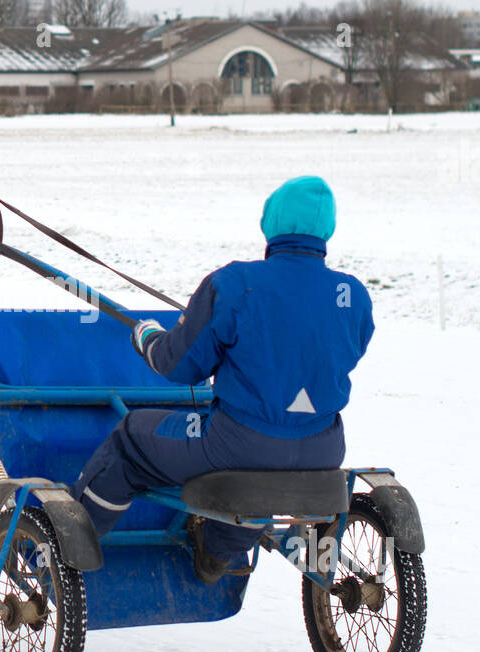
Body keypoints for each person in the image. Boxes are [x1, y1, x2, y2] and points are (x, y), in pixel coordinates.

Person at [70, 175, 374, 581]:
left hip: (237, 445)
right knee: (259, 469)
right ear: (327, 228)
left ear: (272, 222)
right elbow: (344, 350)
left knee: (131, 437)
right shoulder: (353, 294)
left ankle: (67, 548)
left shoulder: (233, 284)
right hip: (324, 449)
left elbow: (178, 366)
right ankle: (215, 554)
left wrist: (147, 339)